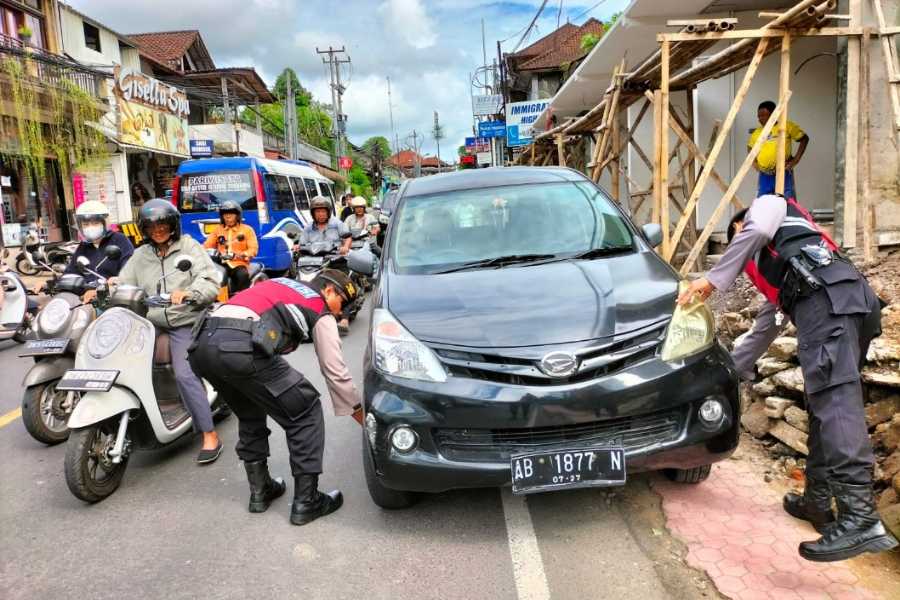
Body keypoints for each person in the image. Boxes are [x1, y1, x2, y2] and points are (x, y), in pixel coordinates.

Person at [679, 193, 897, 562]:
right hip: (847, 304)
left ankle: (860, 517)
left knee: (836, 404)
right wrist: (729, 374)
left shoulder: (768, 206)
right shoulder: (780, 270)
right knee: (825, 405)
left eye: (738, 234)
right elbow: (764, 329)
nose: (741, 242)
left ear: (739, 223)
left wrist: (713, 280)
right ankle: (816, 500)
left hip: (827, 302)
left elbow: (758, 227)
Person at [187, 271, 363, 525]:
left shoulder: (280, 283)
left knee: (249, 408)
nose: (340, 312)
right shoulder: (318, 306)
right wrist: (362, 417)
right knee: (305, 409)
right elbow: (335, 373)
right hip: (238, 346)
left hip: (202, 344)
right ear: (329, 291)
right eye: (342, 304)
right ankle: (307, 501)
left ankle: (261, 491)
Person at [115, 199, 224, 464]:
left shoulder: (188, 246)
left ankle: (209, 434)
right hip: (148, 322)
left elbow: (209, 280)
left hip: (183, 320)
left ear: (172, 225)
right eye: (152, 226)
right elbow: (124, 282)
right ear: (144, 229)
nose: (158, 230)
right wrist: (107, 288)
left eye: (162, 224)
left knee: (185, 374)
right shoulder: (141, 255)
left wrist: (189, 293)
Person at [299, 196, 352, 334]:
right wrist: (296, 247)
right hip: (314, 262)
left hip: (335, 260)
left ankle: (344, 318)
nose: (320, 214)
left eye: (323, 211)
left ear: (328, 212)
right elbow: (301, 243)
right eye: (317, 211)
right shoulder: (308, 228)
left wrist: (345, 247)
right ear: (313, 213)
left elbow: (347, 237)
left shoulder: (336, 224)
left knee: (342, 283)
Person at [65, 201, 134, 303]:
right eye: (86, 224)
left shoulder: (119, 240)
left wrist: (116, 280)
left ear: (104, 223)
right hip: (87, 299)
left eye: (95, 223)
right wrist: (50, 283)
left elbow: (129, 271)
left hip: (113, 299)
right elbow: (71, 272)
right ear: (80, 227)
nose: (90, 227)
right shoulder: (84, 246)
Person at [749, 100, 809, 199]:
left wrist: (796, 160)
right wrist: (754, 163)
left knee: (786, 203)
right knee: (763, 204)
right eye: (759, 116)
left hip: (783, 173)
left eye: (764, 115)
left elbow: (804, 138)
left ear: (774, 114)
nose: (761, 118)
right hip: (765, 176)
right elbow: (750, 147)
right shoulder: (757, 132)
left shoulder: (786, 126)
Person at [203, 199, 258, 293]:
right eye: (225, 214)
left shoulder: (247, 230)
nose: (228, 216)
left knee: (242, 275)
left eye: (231, 213)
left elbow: (253, 250)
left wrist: (239, 255)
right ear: (222, 216)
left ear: (237, 215)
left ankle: (242, 299)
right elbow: (207, 246)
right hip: (220, 263)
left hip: (238, 263)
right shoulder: (218, 230)